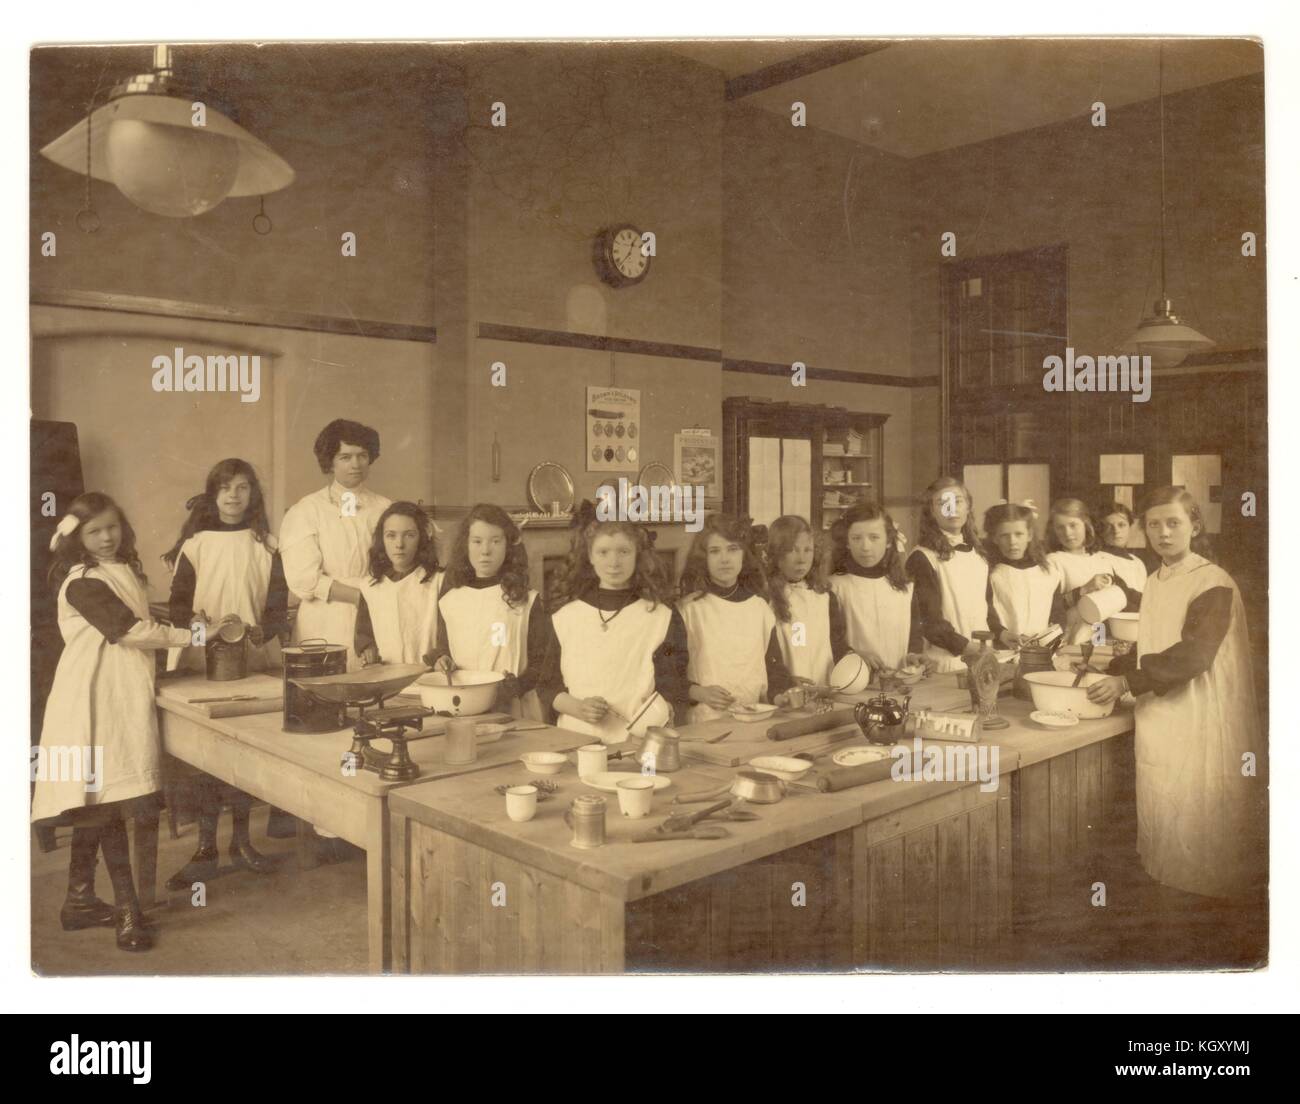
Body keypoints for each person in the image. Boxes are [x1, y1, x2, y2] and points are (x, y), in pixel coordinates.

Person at [32, 493, 194, 951]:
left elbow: (137, 611)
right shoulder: (81, 580)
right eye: (94, 531)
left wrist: (170, 614)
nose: (106, 537)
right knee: (106, 800)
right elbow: (129, 630)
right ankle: (128, 910)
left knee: (96, 799)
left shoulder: (121, 570)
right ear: (77, 540)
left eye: (112, 527)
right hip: (90, 697)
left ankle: (79, 900)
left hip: (118, 693)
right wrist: (194, 634)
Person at [1086, 487, 1264, 903]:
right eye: (1153, 524)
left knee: (1199, 803)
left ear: (1194, 526)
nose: (1163, 533)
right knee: (1167, 802)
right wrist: (1119, 668)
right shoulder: (1156, 578)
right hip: (1163, 708)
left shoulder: (1212, 581)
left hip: (1202, 707)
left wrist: (1127, 682)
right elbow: (1159, 639)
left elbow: (1195, 655)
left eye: (1174, 523)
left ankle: (1204, 903)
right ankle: (1169, 889)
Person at [162, 459, 288, 889]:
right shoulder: (196, 546)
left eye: (243, 487)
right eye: (225, 488)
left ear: (254, 495)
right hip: (202, 662)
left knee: (245, 753)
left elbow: (276, 607)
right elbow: (177, 609)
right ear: (212, 495)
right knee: (204, 758)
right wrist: (201, 626)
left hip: (252, 661)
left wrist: (261, 631)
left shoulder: (267, 545)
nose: (234, 496)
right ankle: (204, 848)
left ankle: (240, 841)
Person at [279, 419, 389, 852]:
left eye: (362, 455)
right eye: (345, 456)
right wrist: (363, 597)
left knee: (372, 711)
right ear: (329, 460)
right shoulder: (306, 511)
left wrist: (377, 604)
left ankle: (367, 820)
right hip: (326, 625)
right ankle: (327, 826)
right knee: (329, 717)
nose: (355, 464)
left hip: (377, 621)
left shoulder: (384, 507)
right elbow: (304, 579)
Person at [539, 505, 685, 740]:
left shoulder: (660, 616)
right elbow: (547, 687)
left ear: (637, 554)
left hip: (636, 740)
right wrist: (579, 708)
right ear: (590, 556)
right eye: (603, 552)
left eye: (623, 552)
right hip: (576, 737)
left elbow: (672, 688)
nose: (614, 562)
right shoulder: (565, 616)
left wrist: (657, 714)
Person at [429, 504, 548, 719]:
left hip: (513, 708)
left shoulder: (526, 600)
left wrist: (517, 686)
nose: (485, 550)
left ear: (508, 546)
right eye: (477, 541)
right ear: (465, 545)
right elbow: (444, 647)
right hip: (464, 706)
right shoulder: (450, 599)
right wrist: (443, 658)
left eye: (495, 541)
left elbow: (541, 662)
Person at [678, 514, 796, 723]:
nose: (725, 559)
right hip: (705, 721)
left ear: (744, 555)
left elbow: (773, 668)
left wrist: (780, 697)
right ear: (703, 558)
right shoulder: (689, 609)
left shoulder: (760, 608)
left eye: (733, 549)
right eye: (715, 551)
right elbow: (667, 674)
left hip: (755, 717)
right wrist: (699, 692)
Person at [827, 503, 925, 675]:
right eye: (856, 538)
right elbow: (831, 640)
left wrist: (913, 655)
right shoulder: (834, 587)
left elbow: (914, 634)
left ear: (888, 541)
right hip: (853, 683)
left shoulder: (905, 587)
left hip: (898, 682)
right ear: (847, 543)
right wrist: (852, 655)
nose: (865, 547)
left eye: (874, 537)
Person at [907, 477, 991, 673]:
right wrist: (969, 648)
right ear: (931, 512)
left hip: (982, 658)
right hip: (945, 663)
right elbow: (929, 622)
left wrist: (1002, 634)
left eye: (958, 501)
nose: (952, 509)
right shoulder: (923, 557)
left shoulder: (978, 554)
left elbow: (988, 607)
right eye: (942, 503)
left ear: (968, 506)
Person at [765, 515, 851, 686]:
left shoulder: (825, 597)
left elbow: (837, 645)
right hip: (784, 693)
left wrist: (854, 658)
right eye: (792, 550)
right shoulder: (765, 598)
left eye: (807, 550)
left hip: (823, 688)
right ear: (776, 554)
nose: (801, 559)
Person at [354, 501, 443, 666]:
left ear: (422, 538)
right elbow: (364, 634)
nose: (399, 544)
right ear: (382, 539)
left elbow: (448, 636)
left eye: (409, 535)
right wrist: (368, 650)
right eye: (391, 535)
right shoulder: (370, 586)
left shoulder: (439, 580)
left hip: (430, 676)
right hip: (388, 680)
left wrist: (439, 657)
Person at [1046, 497, 1140, 644]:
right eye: (1060, 527)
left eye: (1073, 525)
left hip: (1103, 639)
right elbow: (1050, 608)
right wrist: (1084, 589)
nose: (1067, 533)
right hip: (1073, 640)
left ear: (1086, 524)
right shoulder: (1053, 561)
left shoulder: (1101, 558)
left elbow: (1124, 593)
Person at [983, 500, 1066, 646]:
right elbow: (988, 614)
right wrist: (1001, 633)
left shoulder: (1049, 573)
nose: (1012, 542)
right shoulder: (992, 575)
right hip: (1005, 648)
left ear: (1029, 535)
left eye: (1019, 534)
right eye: (1004, 535)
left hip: (1042, 650)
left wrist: (1053, 636)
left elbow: (1058, 613)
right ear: (995, 538)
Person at [1097, 500, 1152, 593]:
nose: (1116, 531)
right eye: (1108, 526)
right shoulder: (1098, 558)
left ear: (1129, 527)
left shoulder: (1137, 562)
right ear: (1100, 530)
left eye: (1121, 525)